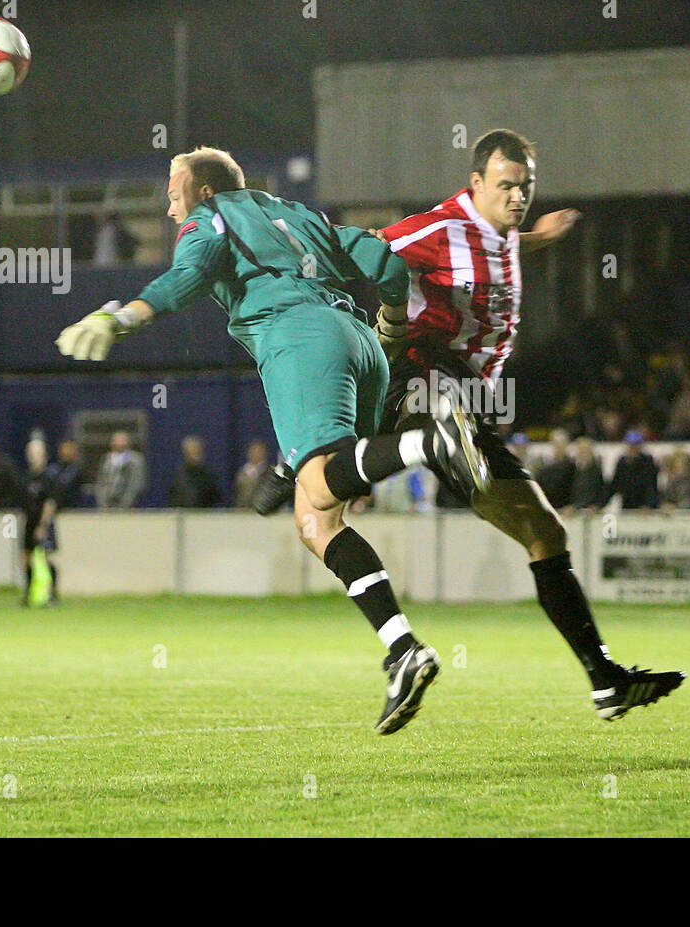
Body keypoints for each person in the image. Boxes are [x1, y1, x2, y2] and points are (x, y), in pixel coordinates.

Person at [58, 145, 491, 735]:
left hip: (299, 338)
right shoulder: (298, 213)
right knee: (317, 518)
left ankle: (429, 445)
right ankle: (403, 650)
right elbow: (385, 260)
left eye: (171, 189)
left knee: (320, 478)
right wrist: (390, 320)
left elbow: (187, 278)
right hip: (361, 344)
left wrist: (120, 316)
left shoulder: (209, 221)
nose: (167, 205)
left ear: (204, 190)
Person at [374, 129, 683, 719]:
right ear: (475, 185)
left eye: (526, 187)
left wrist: (544, 236)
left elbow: (511, 246)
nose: (518, 197)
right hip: (421, 378)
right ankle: (330, 456)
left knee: (547, 534)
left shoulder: (505, 234)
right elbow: (369, 246)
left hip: (469, 404)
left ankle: (605, 680)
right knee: (417, 430)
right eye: (506, 186)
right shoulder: (440, 229)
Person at [20, 438, 60, 607]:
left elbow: (50, 503)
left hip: (43, 523)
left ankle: (52, 594)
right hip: (29, 522)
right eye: (31, 453)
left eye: (37, 453)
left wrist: (43, 525)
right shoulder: (27, 478)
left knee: (46, 558)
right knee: (26, 558)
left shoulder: (48, 478)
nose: (34, 457)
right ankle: (28, 594)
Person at [607, 430, 660, 510]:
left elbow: (652, 485)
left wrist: (648, 505)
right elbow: (615, 485)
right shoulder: (622, 462)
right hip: (627, 506)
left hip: (645, 509)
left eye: (636, 445)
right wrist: (599, 505)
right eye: (631, 445)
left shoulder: (647, 461)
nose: (633, 448)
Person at [94, 431, 147, 510]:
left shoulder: (136, 459)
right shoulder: (106, 458)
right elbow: (101, 481)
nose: (119, 443)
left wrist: (126, 503)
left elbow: (137, 483)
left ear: (128, 442)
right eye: (116, 440)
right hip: (107, 504)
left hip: (128, 504)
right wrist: (102, 502)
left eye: (122, 440)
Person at [169, 436, 221, 508]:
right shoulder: (179, 475)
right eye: (190, 451)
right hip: (185, 514)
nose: (193, 454)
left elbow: (215, 496)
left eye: (196, 450)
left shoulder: (208, 475)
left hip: (205, 514)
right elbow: (174, 496)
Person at [232, 440, 272, 509]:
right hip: (242, 512)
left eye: (260, 451)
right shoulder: (242, 473)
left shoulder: (270, 473)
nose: (256, 454)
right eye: (254, 451)